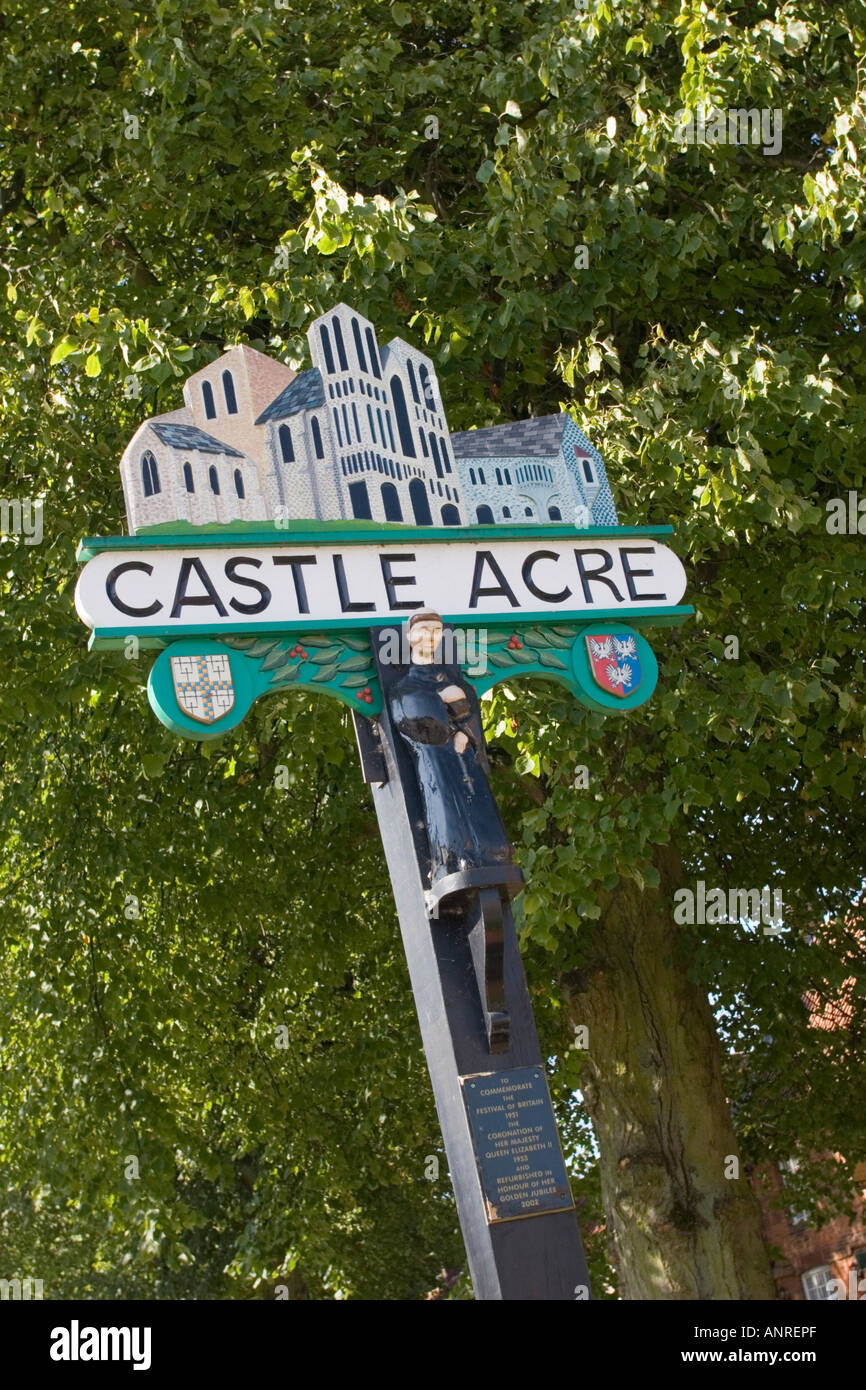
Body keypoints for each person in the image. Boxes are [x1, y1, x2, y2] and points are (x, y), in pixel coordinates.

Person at [389, 610, 523, 911]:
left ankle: (491, 853)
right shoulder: (406, 686)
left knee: (477, 796)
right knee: (445, 804)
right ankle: (451, 859)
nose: (429, 637)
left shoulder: (451, 679)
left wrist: (463, 722)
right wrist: (445, 703)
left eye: (436, 631)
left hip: (464, 758)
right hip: (436, 762)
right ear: (410, 637)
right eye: (423, 631)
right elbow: (413, 716)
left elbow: (469, 710)